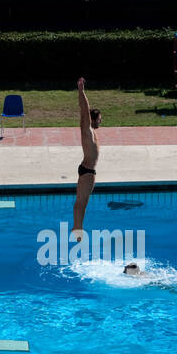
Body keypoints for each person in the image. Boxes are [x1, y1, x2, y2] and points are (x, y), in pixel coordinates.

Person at [72, 77, 100, 241]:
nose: (101, 121)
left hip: (87, 169)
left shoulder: (92, 132)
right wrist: (81, 91)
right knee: (81, 203)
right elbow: (84, 110)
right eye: (99, 118)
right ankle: (77, 231)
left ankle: (77, 228)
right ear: (93, 119)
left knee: (82, 202)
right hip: (88, 171)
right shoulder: (87, 129)